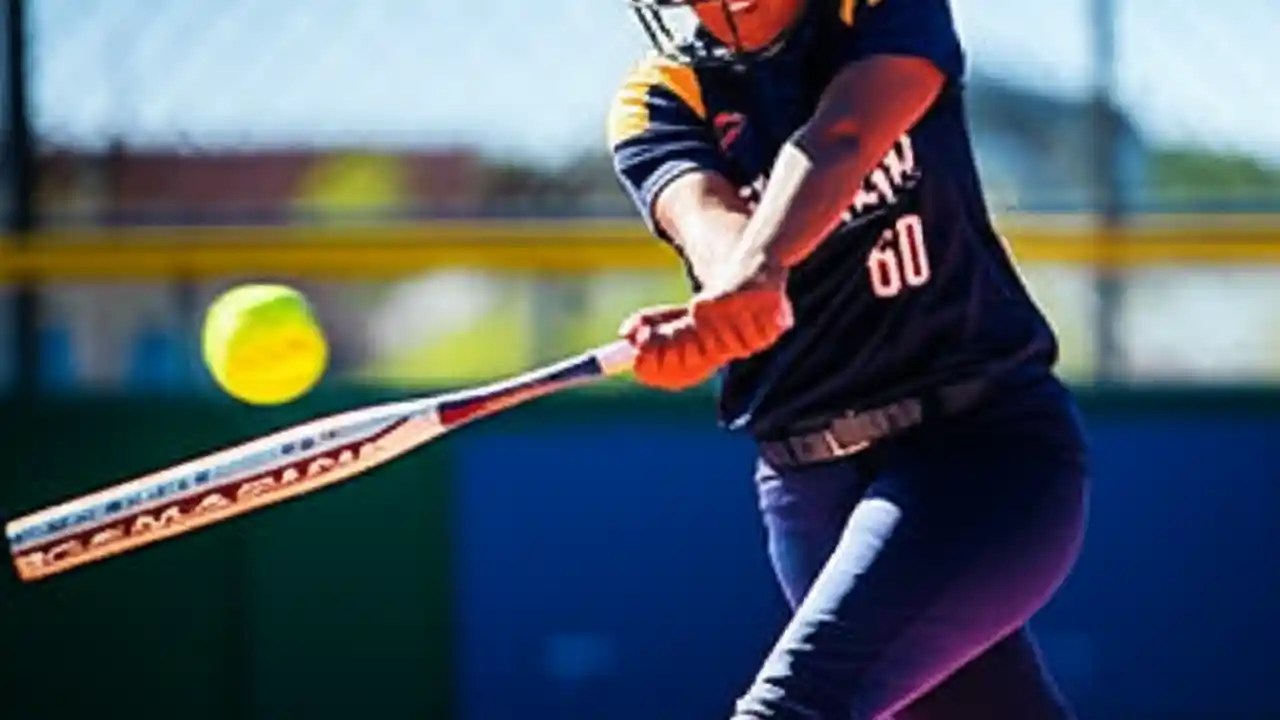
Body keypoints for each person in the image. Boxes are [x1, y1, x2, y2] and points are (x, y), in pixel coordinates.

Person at [607, 1, 1091, 718]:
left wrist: (756, 270)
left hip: (976, 451)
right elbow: (708, 225)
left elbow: (845, 133)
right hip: (811, 490)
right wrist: (716, 317)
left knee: (792, 710)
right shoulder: (660, 94)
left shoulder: (879, 9)